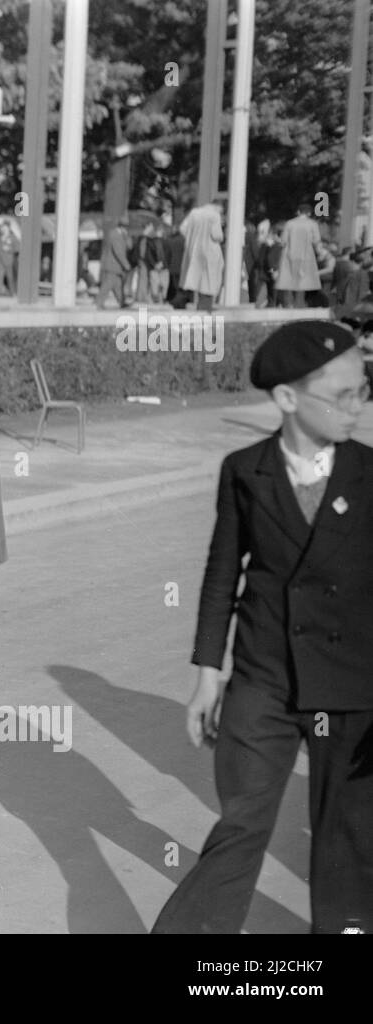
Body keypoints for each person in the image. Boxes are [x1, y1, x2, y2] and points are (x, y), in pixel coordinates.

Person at [152, 321, 373, 934]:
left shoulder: (370, 473)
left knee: (345, 839)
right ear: (287, 400)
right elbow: (222, 575)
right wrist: (206, 677)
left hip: (355, 688)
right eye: (343, 396)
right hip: (263, 678)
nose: (359, 406)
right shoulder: (245, 470)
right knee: (241, 825)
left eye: (364, 390)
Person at [276, 199, 323, 309]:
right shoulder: (312, 224)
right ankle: (299, 305)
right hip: (306, 256)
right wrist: (320, 254)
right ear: (309, 213)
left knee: (288, 281)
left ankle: (288, 304)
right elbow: (317, 241)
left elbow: (283, 241)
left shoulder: (290, 223)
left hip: (289, 255)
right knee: (303, 282)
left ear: (298, 212)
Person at [179, 200, 225, 311]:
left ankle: (198, 306)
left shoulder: (194, 213)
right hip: (210, 252)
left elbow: (182, 229)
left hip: (194, 250)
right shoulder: (215, 215)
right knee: (209, 281)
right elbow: (216, 235)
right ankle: (204, 308)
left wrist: (192, 238)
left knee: (197, 279)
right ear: (218, 207)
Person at [97, 217, 131, 308]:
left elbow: (129, 246)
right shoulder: (115, 235)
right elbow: (118, 252)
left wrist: (126, 237)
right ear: (122, 227)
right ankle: (98, 303)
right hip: (112, 265)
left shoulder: (119, 235)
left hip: (115, 266)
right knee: (107, 285)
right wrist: (126, 264)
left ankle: (122, 302)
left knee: (117, 285)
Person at [0, 220, 18, 297]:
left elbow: (17, 248)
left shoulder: (12, 237)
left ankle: (12, 292)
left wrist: (9, 249)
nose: (4, 229)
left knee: (10, 277)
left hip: (9, 260)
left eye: (5, 227)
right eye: (3, 227)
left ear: (8, 228)